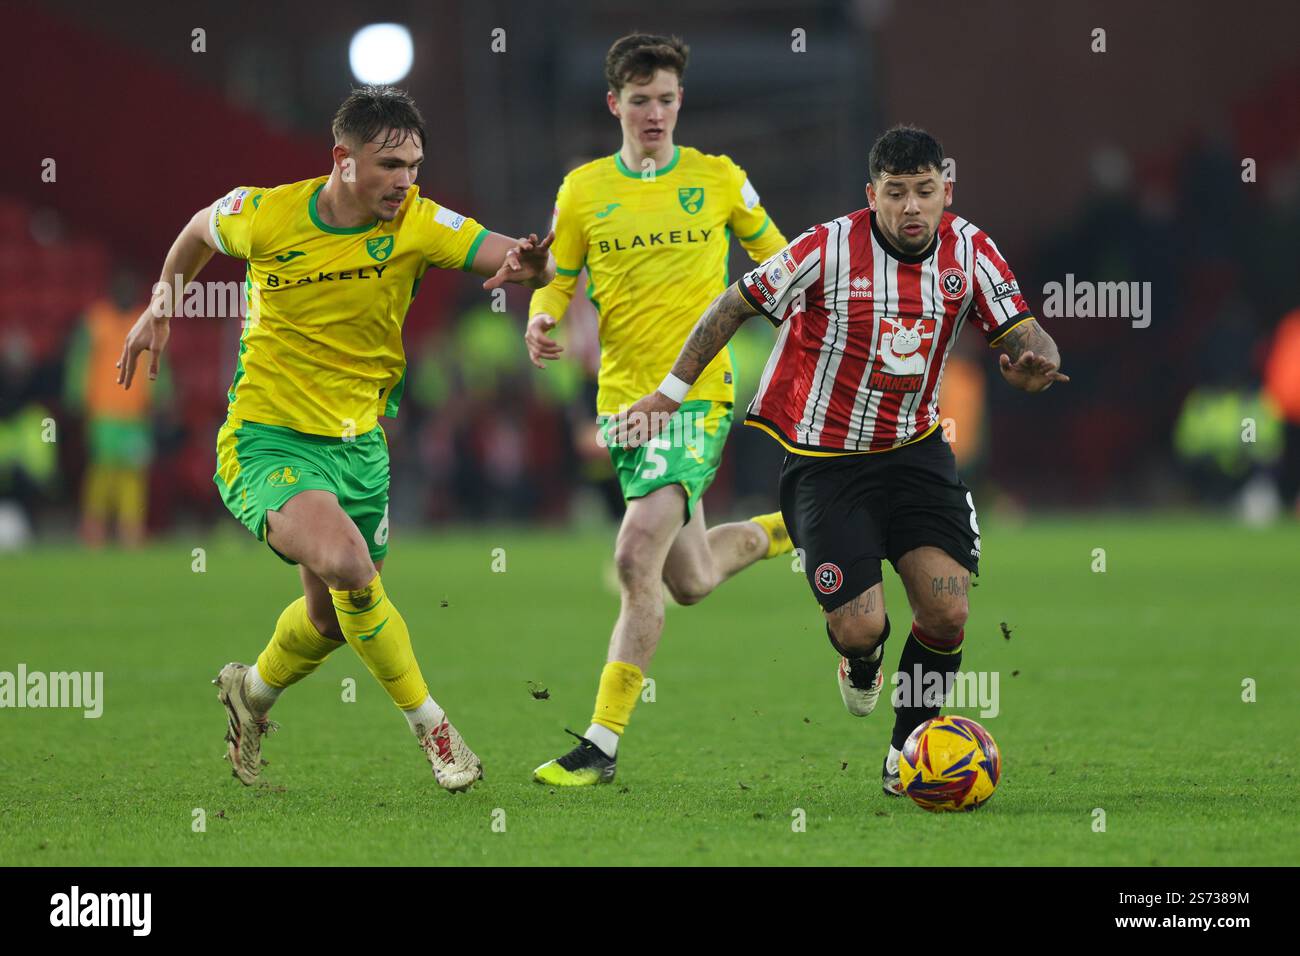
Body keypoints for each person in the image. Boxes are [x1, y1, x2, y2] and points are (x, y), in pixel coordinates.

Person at [117, 85, 555, 793]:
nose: (404, 181)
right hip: (267, 440)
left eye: (413, 164)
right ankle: (435, 730)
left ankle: (250, 694)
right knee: (353, 566)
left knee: (328, 620)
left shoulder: (418, 221)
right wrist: (161, 308)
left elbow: (507, 253)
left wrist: (534, 267)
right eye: (388, 165)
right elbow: (197, 231)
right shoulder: (265, 214)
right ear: (342, 162)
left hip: (359, 448)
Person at [618, 125, 1068, 795]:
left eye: (925, 192)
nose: (912, 208)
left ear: (945, 190)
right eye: (896, 194)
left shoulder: (970, 250)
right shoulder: (827, 248)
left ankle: (908, 747)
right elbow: (733, 304)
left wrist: (1039, 366)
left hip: (915, 454)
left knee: (946, 612)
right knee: (862, 627)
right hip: (823, 462)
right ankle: (861, 663)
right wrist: (666, 394)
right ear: (873, 195)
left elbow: (1029, 336)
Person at [525, 34, 795, 785]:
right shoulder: (583, 190)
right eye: (639, 100)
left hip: (698, 398)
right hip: (625, 405)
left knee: (633, 551)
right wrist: (541, 316)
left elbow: (780, 265)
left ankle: (600, 746)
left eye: (666, 99)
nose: (654, 113)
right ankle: (799, 523)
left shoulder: (718, 179)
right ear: (615, 103)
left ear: (681, 102)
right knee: (691, 579)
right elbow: (558, 275)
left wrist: (818, 325)